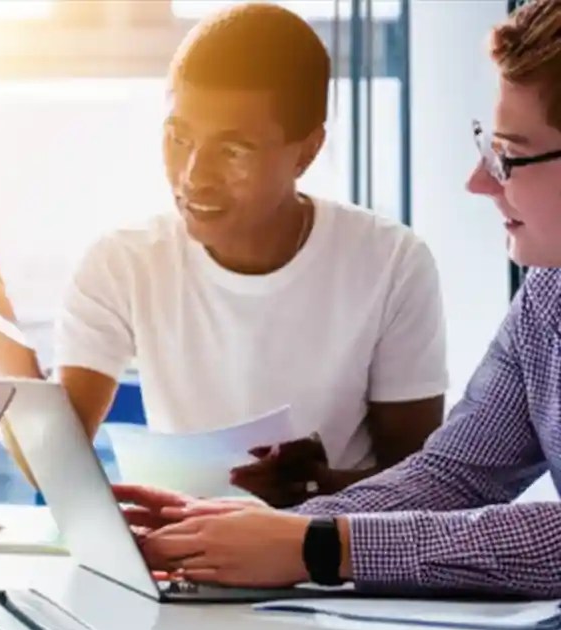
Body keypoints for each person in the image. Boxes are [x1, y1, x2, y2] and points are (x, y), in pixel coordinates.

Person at [0, 2, 447, 508]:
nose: (193, 176)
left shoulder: (391, 263)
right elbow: (53, 467)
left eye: (233, 150)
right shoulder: (125, 263)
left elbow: (424, 483)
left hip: (332, 556)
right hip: (187, 557)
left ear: (307, 151)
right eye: (179, 138)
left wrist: (318, 488)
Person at [121, 0, 561, 599]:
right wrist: (251, 531)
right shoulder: (547, 295)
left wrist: (319, 547)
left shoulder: (398, 259)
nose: (478, 181)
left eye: (508, 156)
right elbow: (455, 473)